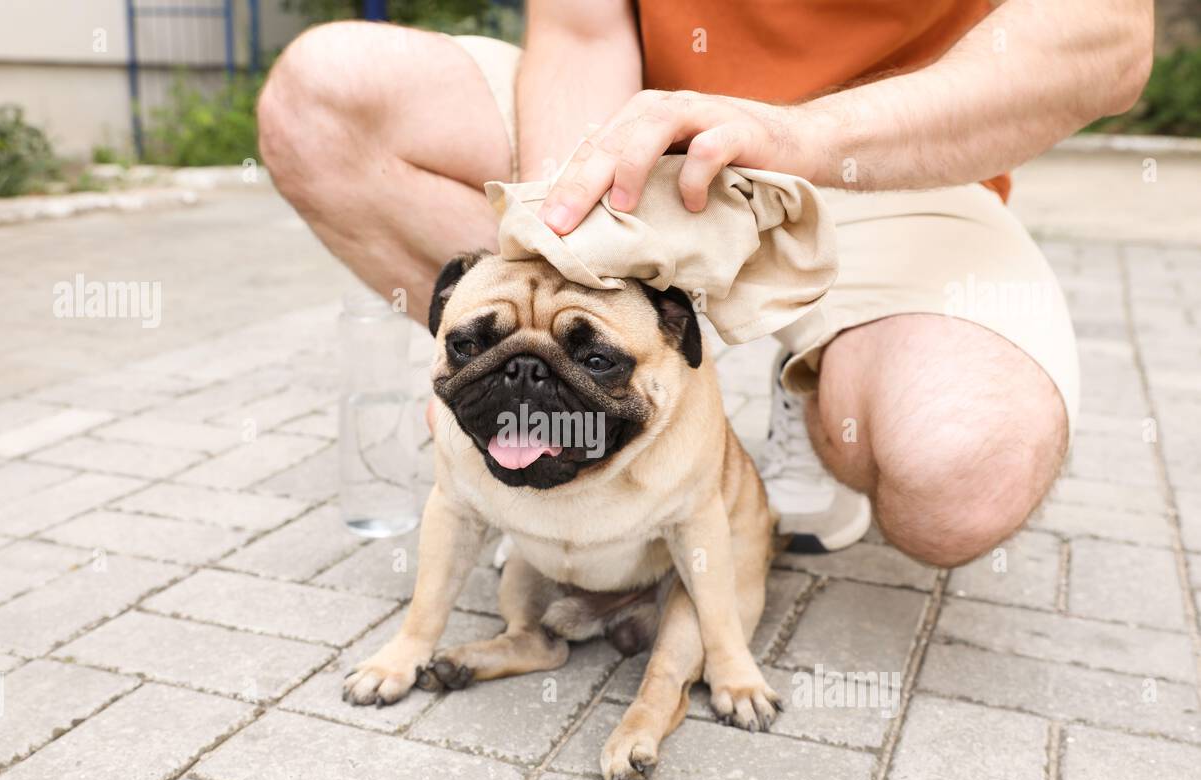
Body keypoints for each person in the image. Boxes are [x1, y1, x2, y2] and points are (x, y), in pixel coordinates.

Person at [257, 0, 1153, 567]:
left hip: (891, 161)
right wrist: (562, 252)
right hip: (645, 134)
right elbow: (580, 28)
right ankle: (579, 421)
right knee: (323, 96)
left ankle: (820, 379)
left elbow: (1105, 38)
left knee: (961, 480)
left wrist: (796, 134)